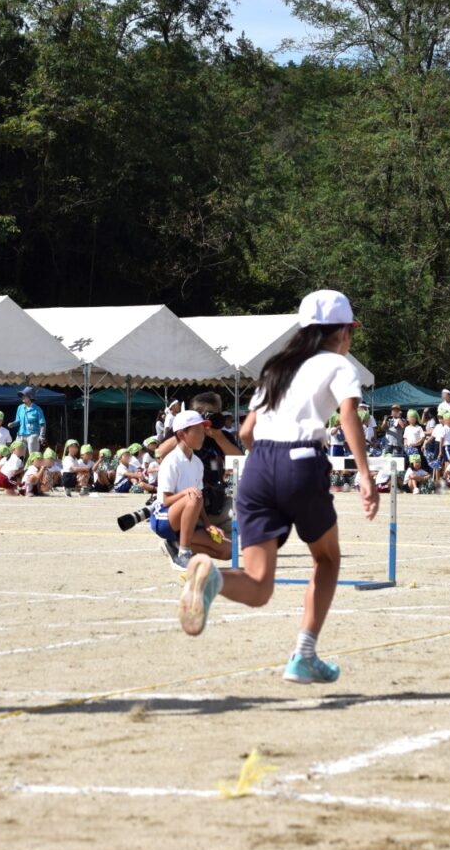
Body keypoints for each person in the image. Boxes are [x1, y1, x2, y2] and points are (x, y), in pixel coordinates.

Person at [178, 289, 378, 686]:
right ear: (340, 332)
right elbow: (349, 416)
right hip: (301, 462)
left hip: (257, 469)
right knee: (327, 560)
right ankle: (304, 655)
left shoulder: (276, 368)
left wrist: (268, 464)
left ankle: (213, 578)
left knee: (258, 584)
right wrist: (365, 474)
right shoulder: (339, 365)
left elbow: (248, 430)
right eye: (350, 331)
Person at [154, 391, 243, 539]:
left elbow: (238, 461)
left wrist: (218, 436)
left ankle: (205, 535)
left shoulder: (222, 435)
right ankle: (182, 539)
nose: (211, 418)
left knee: (240, 519)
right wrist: (188, 432)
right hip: (184, 502)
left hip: (215, 500)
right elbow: (159, 454)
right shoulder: (180, 431)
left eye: (215, 414)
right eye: (205, 414)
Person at [152, 411, 230, 566]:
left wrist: (208, 524)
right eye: (198, 431)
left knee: (229, 550)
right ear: (182, 434)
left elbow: (197, 500)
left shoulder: (197, 463)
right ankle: (184, 553)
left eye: (203, 431)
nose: (203, 435)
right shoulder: (171, 461)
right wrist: (186, 493)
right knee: (193, 496)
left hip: (188, 522)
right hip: (164, 518)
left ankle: (174, 545)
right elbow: (166, 500)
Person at [14, 387, 46, 454]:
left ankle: (33, 464)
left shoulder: (37, 409)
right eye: (22, 395)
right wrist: (13, 424)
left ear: (30, 397)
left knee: (33, 455)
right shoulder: (20, 407)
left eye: (24, 395)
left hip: (32, 435)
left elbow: (42, 424)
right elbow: (17, 421)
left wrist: (41, 436)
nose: (23, 397)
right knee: (18, 455)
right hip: (20, 435)